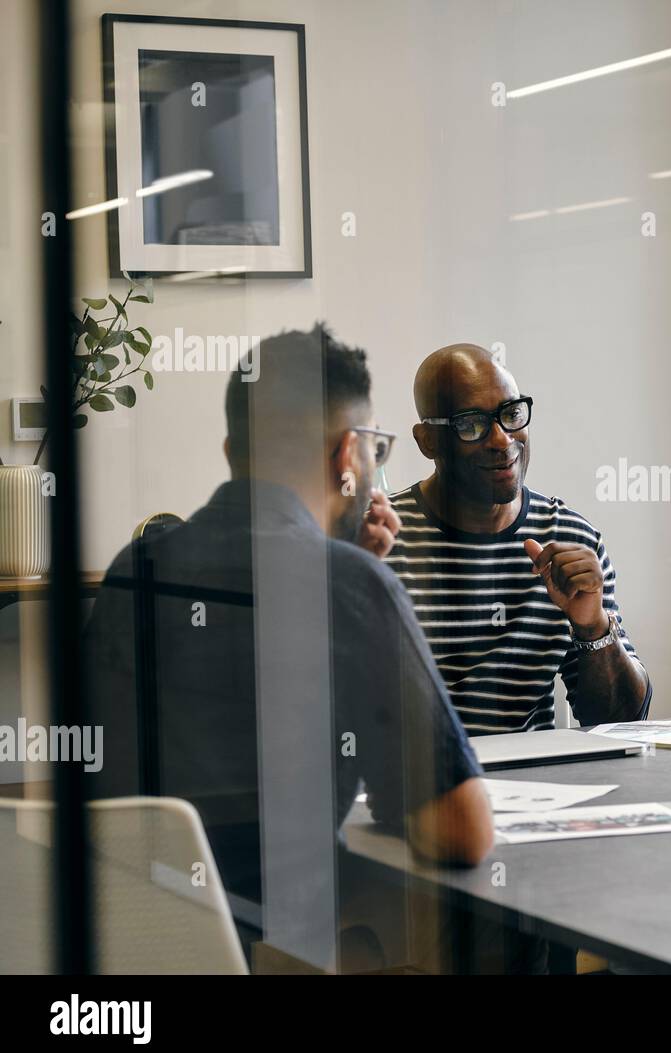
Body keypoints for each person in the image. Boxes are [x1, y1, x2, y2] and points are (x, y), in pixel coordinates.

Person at [83, 324, 492, 969]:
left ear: (229, 449)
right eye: (374, 451)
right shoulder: (350, 586)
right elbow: (463, 832)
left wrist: (351, 569)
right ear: (346, 459)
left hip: (130, 956)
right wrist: (361, 581)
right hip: (273, 951)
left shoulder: (134, 568)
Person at [384, 343, 651, 735]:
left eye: (510, 415)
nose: (501, 439)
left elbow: (621, 723)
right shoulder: (380, 541)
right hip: (412, 787)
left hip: (531, 788)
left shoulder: (570, 539)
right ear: (428, 441)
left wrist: (593, 627)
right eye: (470, 424)